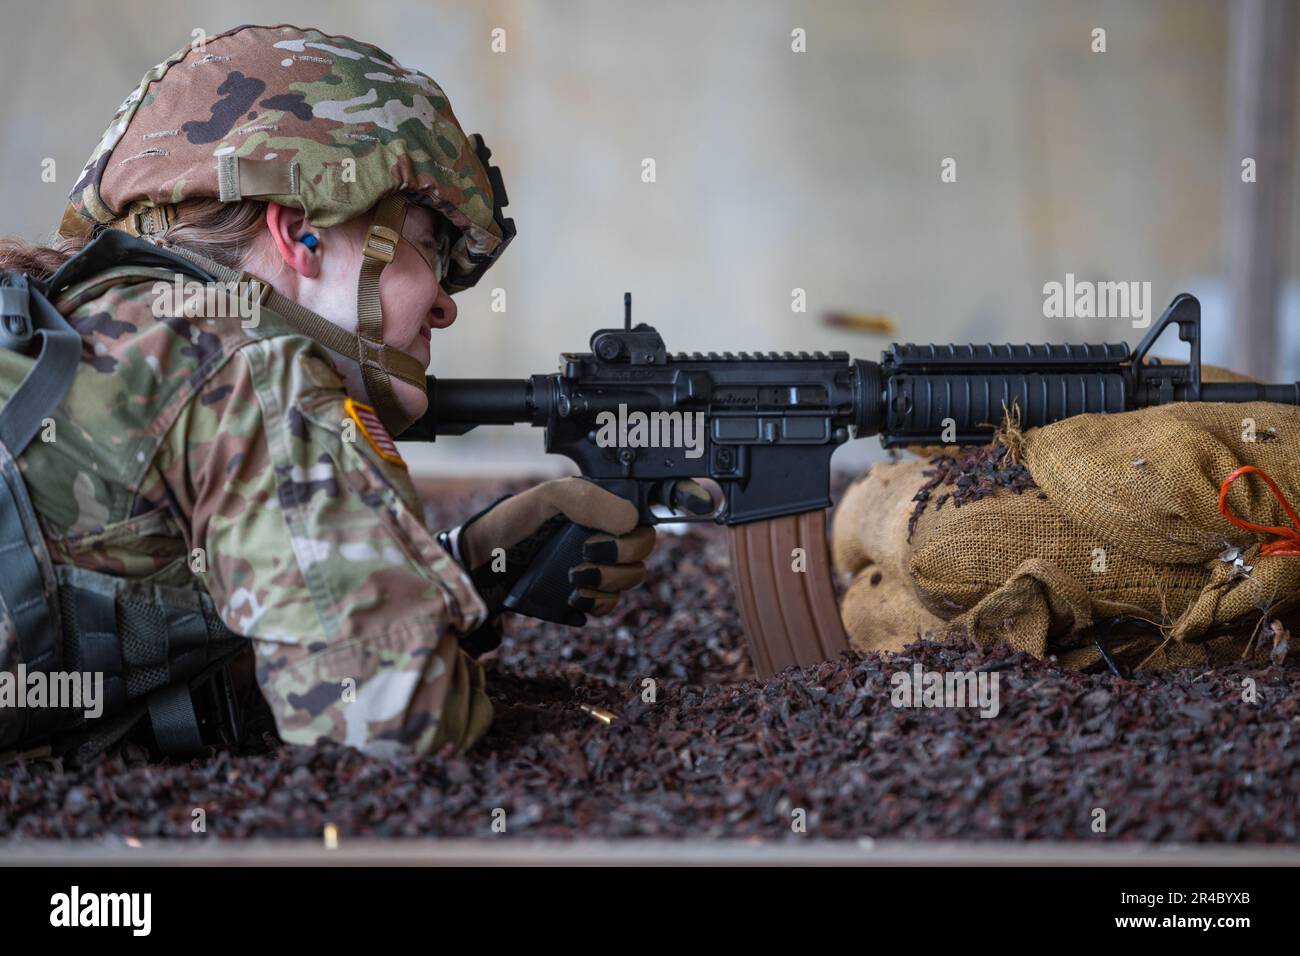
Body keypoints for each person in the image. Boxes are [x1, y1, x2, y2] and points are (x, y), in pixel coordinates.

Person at [0, 24, 706, 760]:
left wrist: (465, 569)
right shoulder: (248, 366)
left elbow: (191, 662)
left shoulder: (92, 329)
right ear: (300, 236)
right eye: (428, 245)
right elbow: (390, 725)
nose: (445, 303)